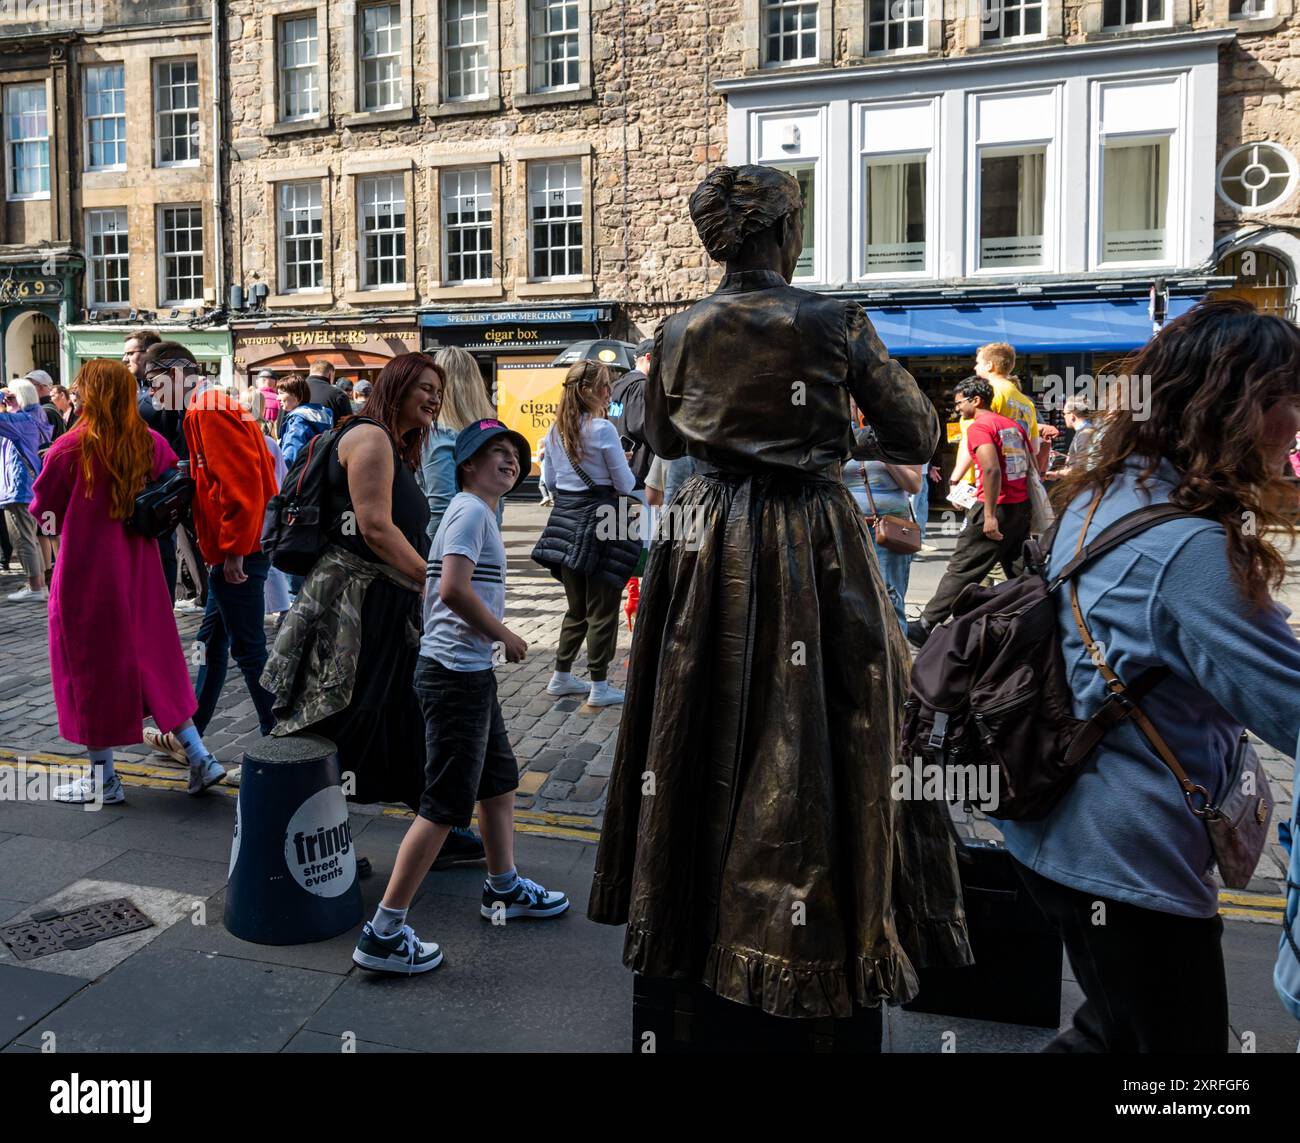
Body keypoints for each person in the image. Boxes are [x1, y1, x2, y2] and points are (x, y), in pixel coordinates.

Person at [588, 165, 969, 1030]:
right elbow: (916, 431)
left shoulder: (679, 328)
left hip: (709, 535)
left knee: (697, 717)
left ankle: (695, 919)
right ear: (781, 231)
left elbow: (661, 431)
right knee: (824, 726)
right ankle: (820, 932)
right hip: (808, 534)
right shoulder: (832, 321)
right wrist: (831, 431)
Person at [998, 298, 1300, 1053]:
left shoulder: (1113, 488)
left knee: (1112, 1032)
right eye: (1284, 398)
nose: (1296, 421)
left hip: (1060, 826)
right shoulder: (1191, 549)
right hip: (1127, 858)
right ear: (1231, 406)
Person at [352, 420, 570, 975]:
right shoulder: (472, 511)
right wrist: (505, 633)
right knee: (445, 806)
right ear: (467, 465)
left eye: (515, 455)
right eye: (495, 453)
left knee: (498, 779)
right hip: (455, 676)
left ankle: (503, 888)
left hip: (464, 672)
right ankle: (384, 931)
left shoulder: (477, 511)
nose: (509, 462)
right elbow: (450, 587)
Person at [28, 360, 225, 804]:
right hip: (140, 569)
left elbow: (43, 515)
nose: (75, 396)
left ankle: (104, 778)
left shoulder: (69, 448)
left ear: (94, 395)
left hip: (85, 574)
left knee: (87, 669)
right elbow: (172, 484)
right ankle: (199, 755)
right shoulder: (149, 441)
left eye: (80, 390)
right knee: (154, 659)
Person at [262, 353, 439, 814]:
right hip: (356, 605)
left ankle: (435, 822)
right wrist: (434, 580)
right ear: (396, 387)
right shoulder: (371, 438)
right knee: (339, 713)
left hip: (380, 603)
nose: (434, 398)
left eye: (438, 390)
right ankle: (302, 827)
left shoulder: (391, 443)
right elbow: (375, 528)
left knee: (395, 712)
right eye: (425, 387)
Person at [142, 343, 278, 760]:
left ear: (175, 371)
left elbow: (239, 486)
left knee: (249, 648)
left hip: (236, 551)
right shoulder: (212, 404)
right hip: (233, 549)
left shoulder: (207, 409)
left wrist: (234, 551)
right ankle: (189, 736)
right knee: (211, 642)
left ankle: (280, 739)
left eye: (152, 382)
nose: (151, 394)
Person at [533, 361, 639, 707]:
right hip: (602, 521)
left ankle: (561, 676)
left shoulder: (555, 431)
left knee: (575, 607)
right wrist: (622, 460)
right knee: (603, 607)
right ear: (586, 391)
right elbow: (624, 484)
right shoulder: (603, 429)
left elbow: (548, 482)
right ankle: (599, 685)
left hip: (565, 519)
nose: (609, 393)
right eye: (605, 386)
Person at [908, 376, 1032, 646]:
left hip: (995, 507)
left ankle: (925, 624)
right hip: (1019, 507)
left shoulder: (979, 426)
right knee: (1021, 568)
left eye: (960, 403)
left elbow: (990, 469)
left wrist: (988, 514)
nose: (957, 409)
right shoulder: (1012, 425)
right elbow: (1029, 463)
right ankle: (1042, 611)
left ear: (976, 401)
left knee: (963, 567)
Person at [845, 415, 922, 628]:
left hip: (887, 533)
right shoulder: (844, 438)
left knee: (889, 597)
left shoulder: (901, 439)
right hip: (849, 528)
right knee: (852, 596)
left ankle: (898, 658)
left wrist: (883, 456)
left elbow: (914, 485)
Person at [419, 346, 498, 542]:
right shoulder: (489, 433)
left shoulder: (440, 435)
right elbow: (498, 503)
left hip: (454, 551)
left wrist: (431, 565)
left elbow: (441, 508)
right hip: (486, 541)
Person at [0, 378, 51, 602]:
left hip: (19, 487)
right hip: (26, 486)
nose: (7, 401)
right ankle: (37, 584)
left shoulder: (21, 420)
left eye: (11, 397)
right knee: (29, 536)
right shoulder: (34, 415)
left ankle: (35, 586)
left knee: (22, 537)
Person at [276, 374, 334, 468]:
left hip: (298, 478)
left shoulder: (298, 420)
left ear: (297, 395)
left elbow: (289, 458)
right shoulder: (321, 415)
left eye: (281, 393)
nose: (277, 398)